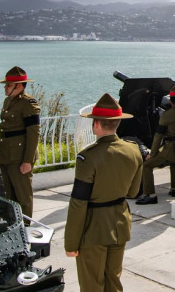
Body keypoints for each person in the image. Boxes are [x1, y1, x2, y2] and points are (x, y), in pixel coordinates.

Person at [64, 93, 143, 292]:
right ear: (117, 123)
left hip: (94, 230)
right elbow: (133, 192)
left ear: (97, 124)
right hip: (120, 225)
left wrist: (71, 243)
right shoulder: (133, 151)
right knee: (113, 283)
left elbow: (78, 203)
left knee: (92, 285)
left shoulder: (87, 157)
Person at [0, 66, 41, 217]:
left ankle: (25, 226)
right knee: (9, 195)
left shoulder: (28, 103)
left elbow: (33, 133)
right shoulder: (8, 102)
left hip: (20, 156)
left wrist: (27, 160)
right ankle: (12, 224)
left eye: (9, 85)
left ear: (19, 86)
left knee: (23, 196)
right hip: (7, 154)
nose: (5, 88)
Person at [136, 86, 175, 204]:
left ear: (171, 101)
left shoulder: (167, 115)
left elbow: (158, 136)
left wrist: (153, 153)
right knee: (174, 163)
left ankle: (151, 195)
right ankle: (173, 188)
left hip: (170, 148)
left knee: (147, 165)